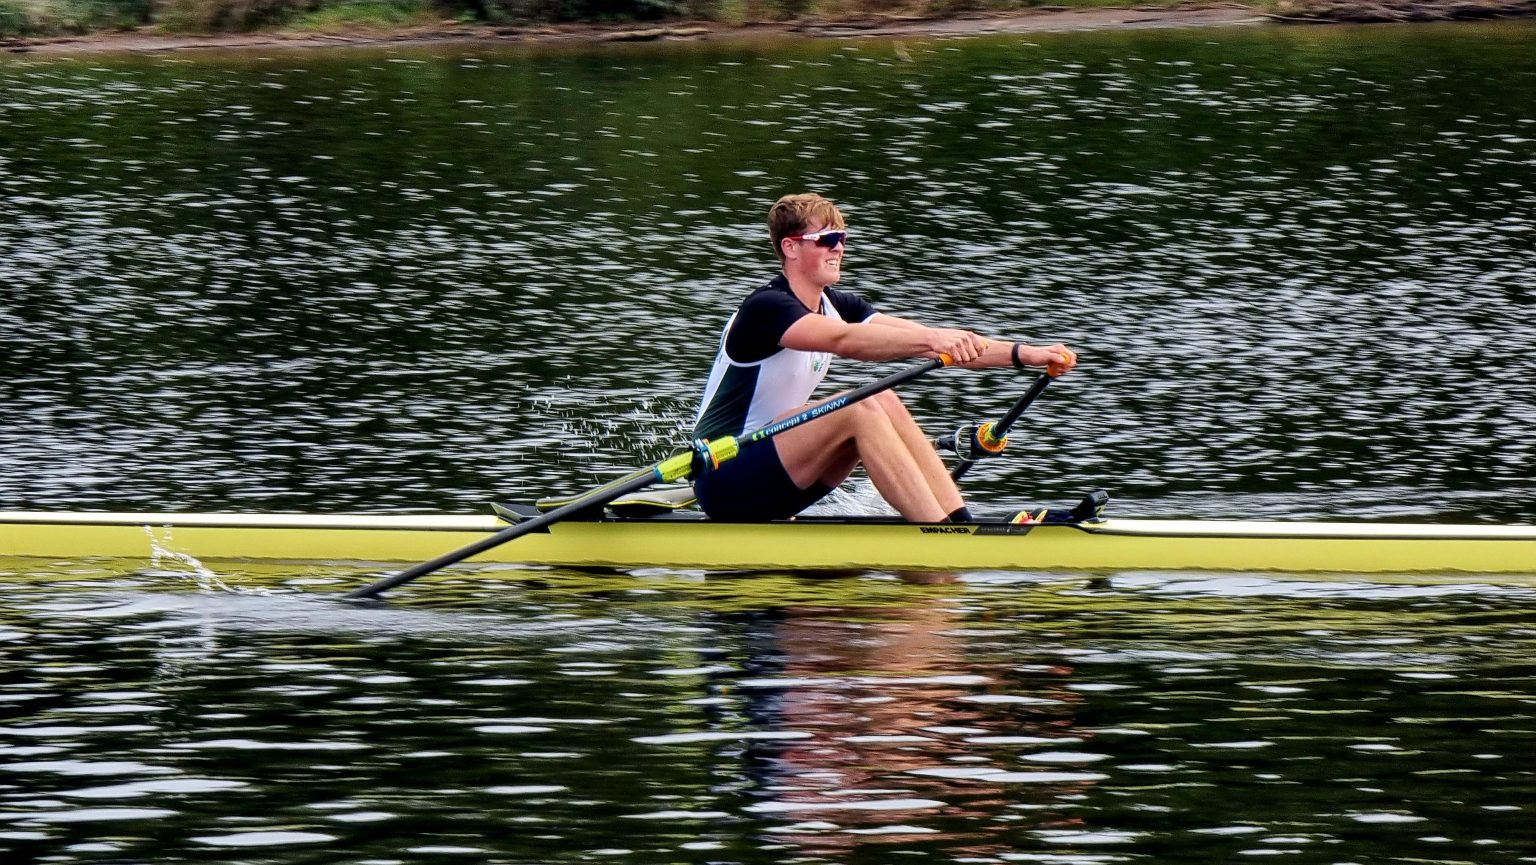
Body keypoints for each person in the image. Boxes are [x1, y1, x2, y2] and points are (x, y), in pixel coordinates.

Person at [691, 193, 1077, 524]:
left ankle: (960, 521)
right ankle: (942, 533)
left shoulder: (837, 304)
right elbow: (845, 341)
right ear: (791, 247)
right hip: (724, 475)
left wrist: (1024, 354)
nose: (839, 246)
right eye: (827, 238)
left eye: (841, 237)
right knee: (861, 408)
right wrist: (932, 339)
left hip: (777, 470)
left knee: (883, 400)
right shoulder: (766, 308)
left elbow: (931, 340)